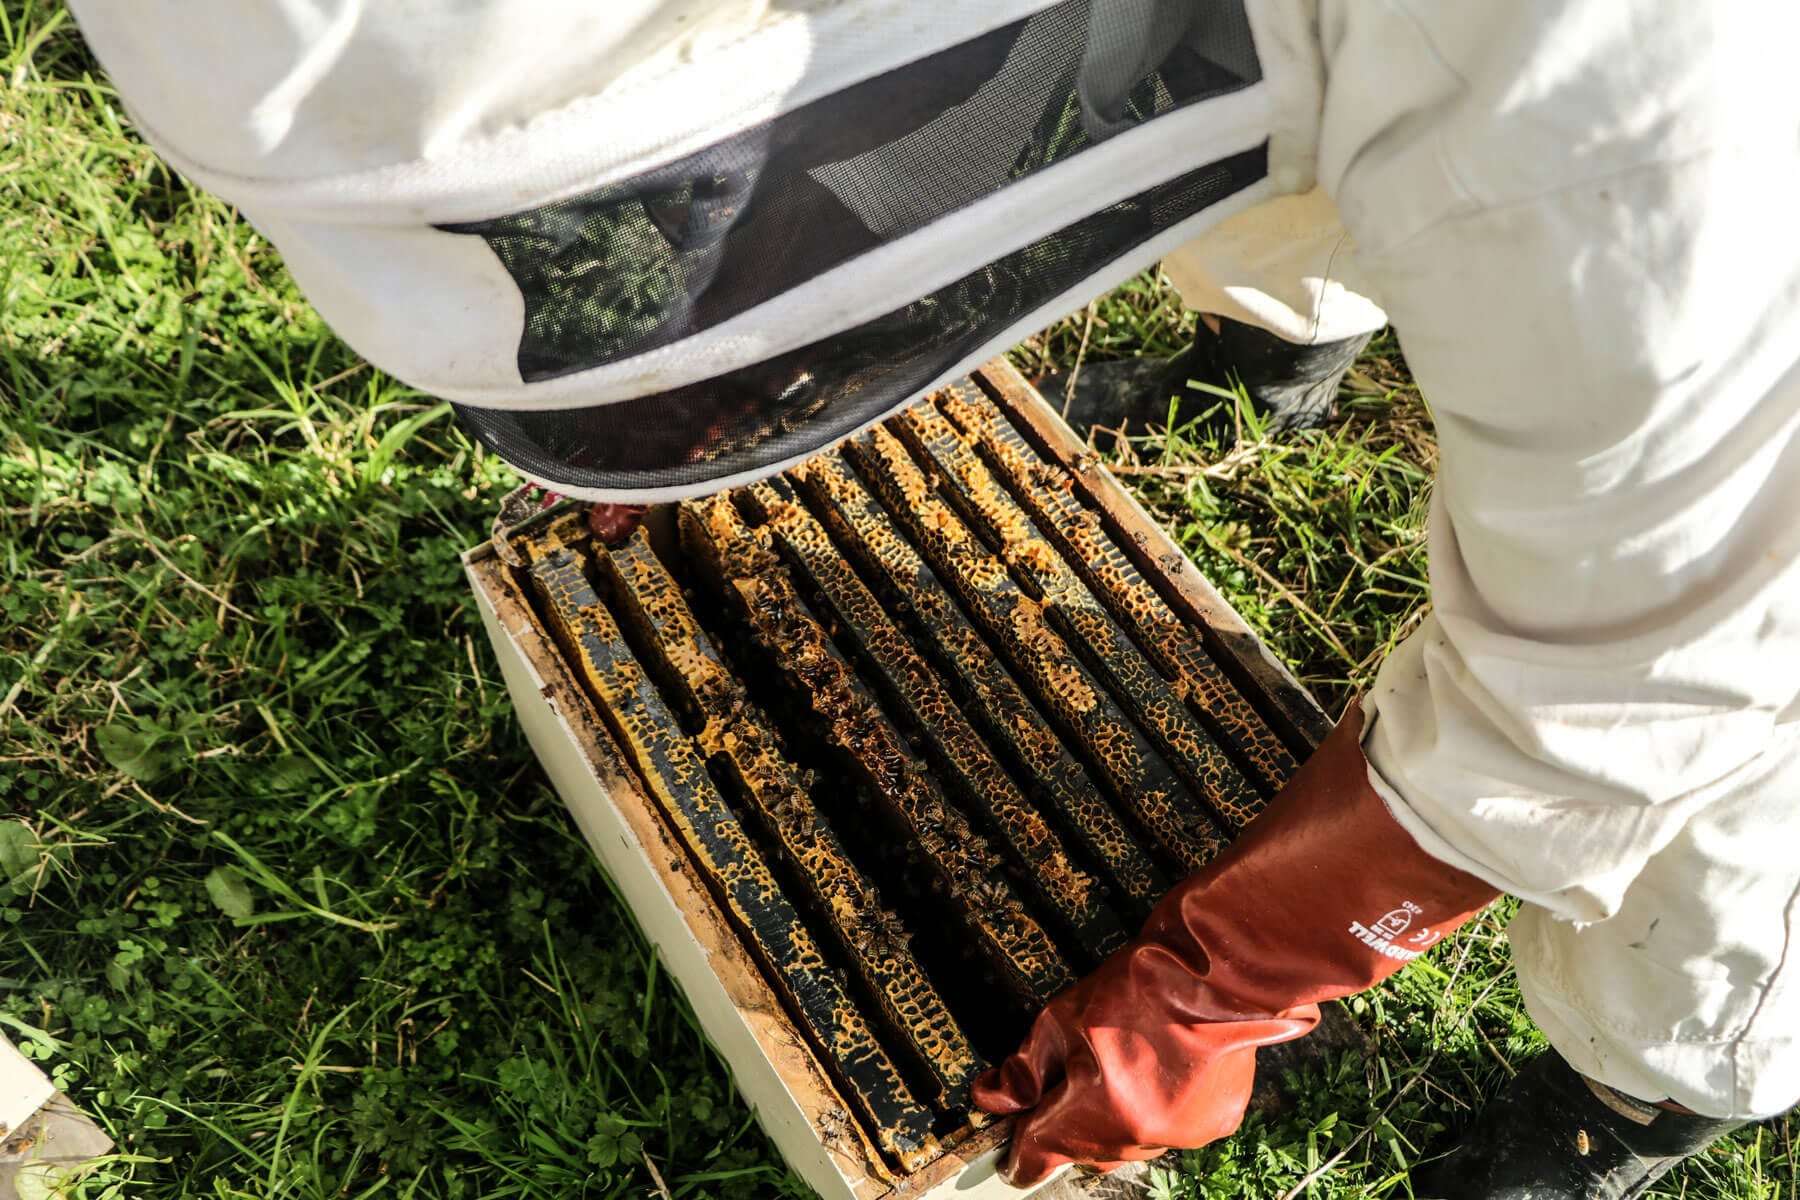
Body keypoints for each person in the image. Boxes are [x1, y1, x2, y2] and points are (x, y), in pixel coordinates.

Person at [64, 2, 1800, 1196]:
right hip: (1412, 67)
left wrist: (1228, 981)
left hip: (1700, 272)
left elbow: (1671, 650)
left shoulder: (1652, 131)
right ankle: (1282, 342)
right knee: (1318, 118)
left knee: (1745, 721)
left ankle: (1654, 1071)